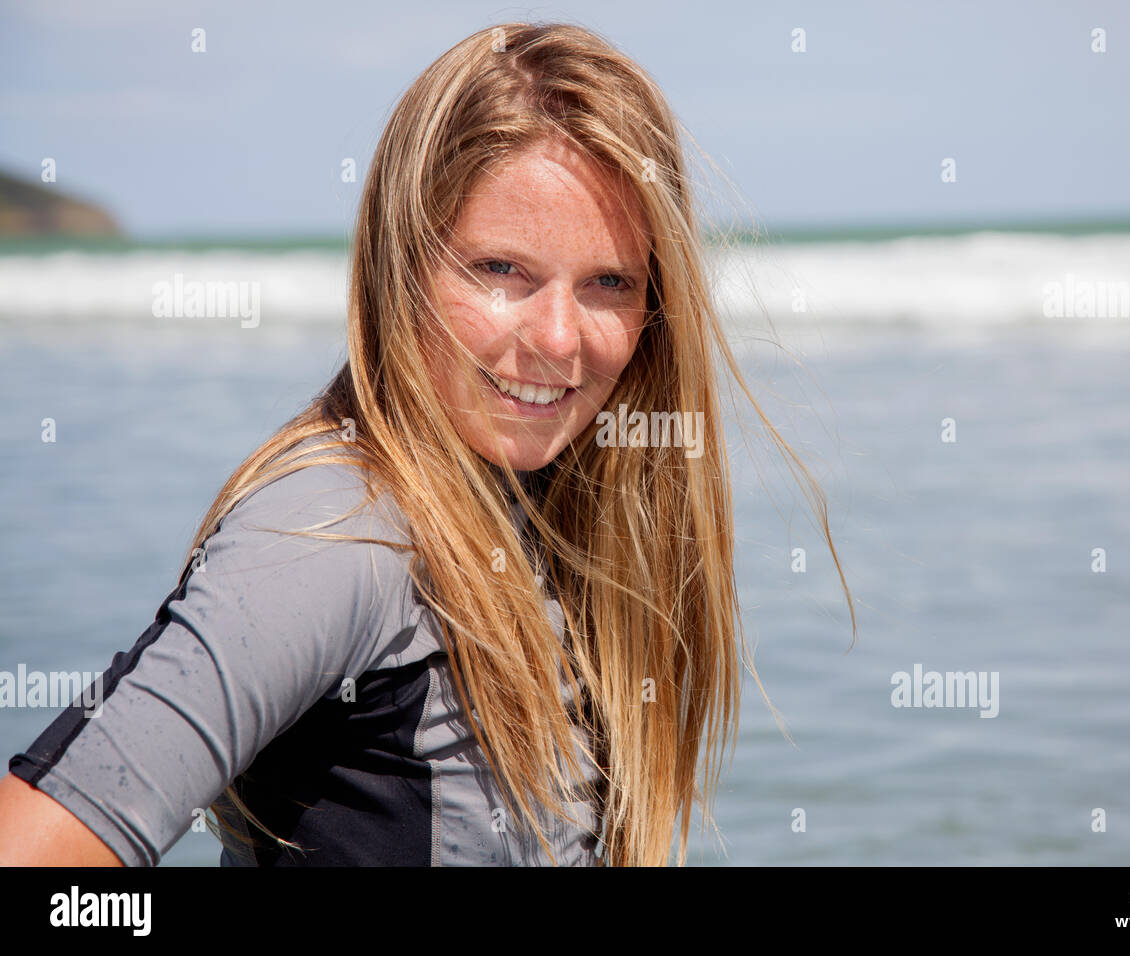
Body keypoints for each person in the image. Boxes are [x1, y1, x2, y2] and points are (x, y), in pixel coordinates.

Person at [0, 21, 854, 867]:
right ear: (398, 262)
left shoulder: (555, 501)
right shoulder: (332, 536)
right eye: (499, 270)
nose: (560, 338)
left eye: (609, 283)